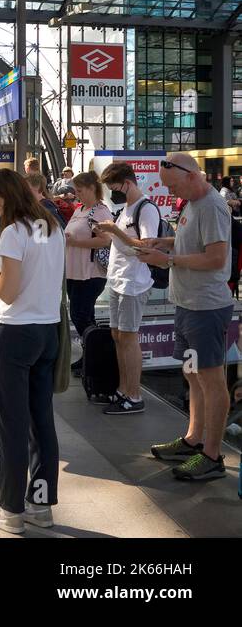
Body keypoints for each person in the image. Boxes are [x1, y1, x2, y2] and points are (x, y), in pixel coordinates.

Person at [134, 154, 233, 480]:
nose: (172, 192)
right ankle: (193, 439)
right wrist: (166, 242)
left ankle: (212, 456)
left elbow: (217, 258)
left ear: (191, 175)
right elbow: (193, 242)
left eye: (173, 185)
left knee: (211, 380)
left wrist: (169, 260)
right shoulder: (191, 204)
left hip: (206, 308)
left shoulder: (211, 206)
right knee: (192, 375)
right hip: (188, 305)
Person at [0, 168, 64, 534]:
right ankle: (40, 505)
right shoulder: (52, 226)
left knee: (11, 424)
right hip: (48, 332)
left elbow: (7, 291)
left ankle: (10, 510)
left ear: (2, 197)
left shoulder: (14, 232)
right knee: (41, 421)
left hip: (14, 334)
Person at [92, 161, 161, 415]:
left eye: (114, 187)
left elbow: (146, 246)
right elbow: (124, 243)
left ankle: (134, 394)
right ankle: (123, 389)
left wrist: (114, 231)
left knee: (129, 337)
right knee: (118, 335)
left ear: (127, 183)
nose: (113, 192)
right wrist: (108, 231)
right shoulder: (126, 209)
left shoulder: (146, 209)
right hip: (118, 280)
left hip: (134, 282)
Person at [62, 171, 112, 373]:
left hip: (90, 272)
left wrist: (76, 242)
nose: (77, 195)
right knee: (84, 314)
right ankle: (91, 356)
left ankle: (96, 353)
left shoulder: (100, 211)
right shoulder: (80, 209)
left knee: (79, 314)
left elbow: (105, 240)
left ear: (92, 188)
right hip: (74, 271)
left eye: (80, 191)